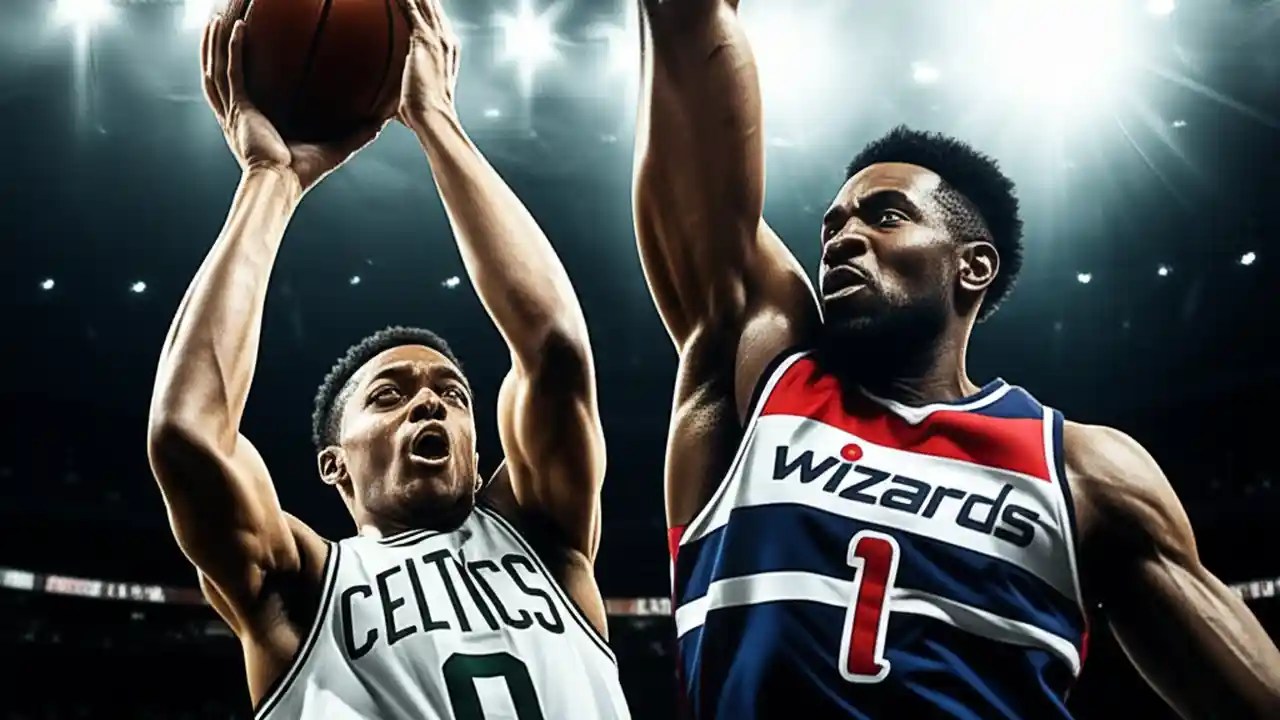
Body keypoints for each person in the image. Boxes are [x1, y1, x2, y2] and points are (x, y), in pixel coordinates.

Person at [632, 1, 1280, 717]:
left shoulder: (1084, 473)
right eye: (834, 224)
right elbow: (688, 46)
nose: (842, 238)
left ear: (972, 267)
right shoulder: (765, 370)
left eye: (885, 216)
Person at [146, 1, 630, 717]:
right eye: (388, 395)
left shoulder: (543, 536)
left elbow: (554, 346)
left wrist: (438, 123)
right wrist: (270, 180)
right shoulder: (303, 587)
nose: (430, 401)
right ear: (334, 464)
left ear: (477, 451)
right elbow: (187, 434)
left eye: (453, 394)